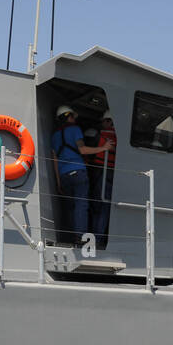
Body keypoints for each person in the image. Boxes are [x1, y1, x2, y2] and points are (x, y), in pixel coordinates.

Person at [51, 105, 112, 245]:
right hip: (78, 172)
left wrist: (58, 181)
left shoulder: (54, 136)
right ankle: (81, 237)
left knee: (70, 207)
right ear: (70, 117)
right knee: (81, 205)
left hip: (63, 175)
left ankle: (69, 236)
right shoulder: (75, 129)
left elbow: (54, 159)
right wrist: (103, 148)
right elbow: (82, 150)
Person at [89, 110, 117, 247]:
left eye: (104, 121)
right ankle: (99, 238)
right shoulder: (119, 138)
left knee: (98, 206)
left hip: (100, 172)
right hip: (110, 173)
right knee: (104, 207)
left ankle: (96, 238)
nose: (102, 124)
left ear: (110, 121)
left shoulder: (99, 136)